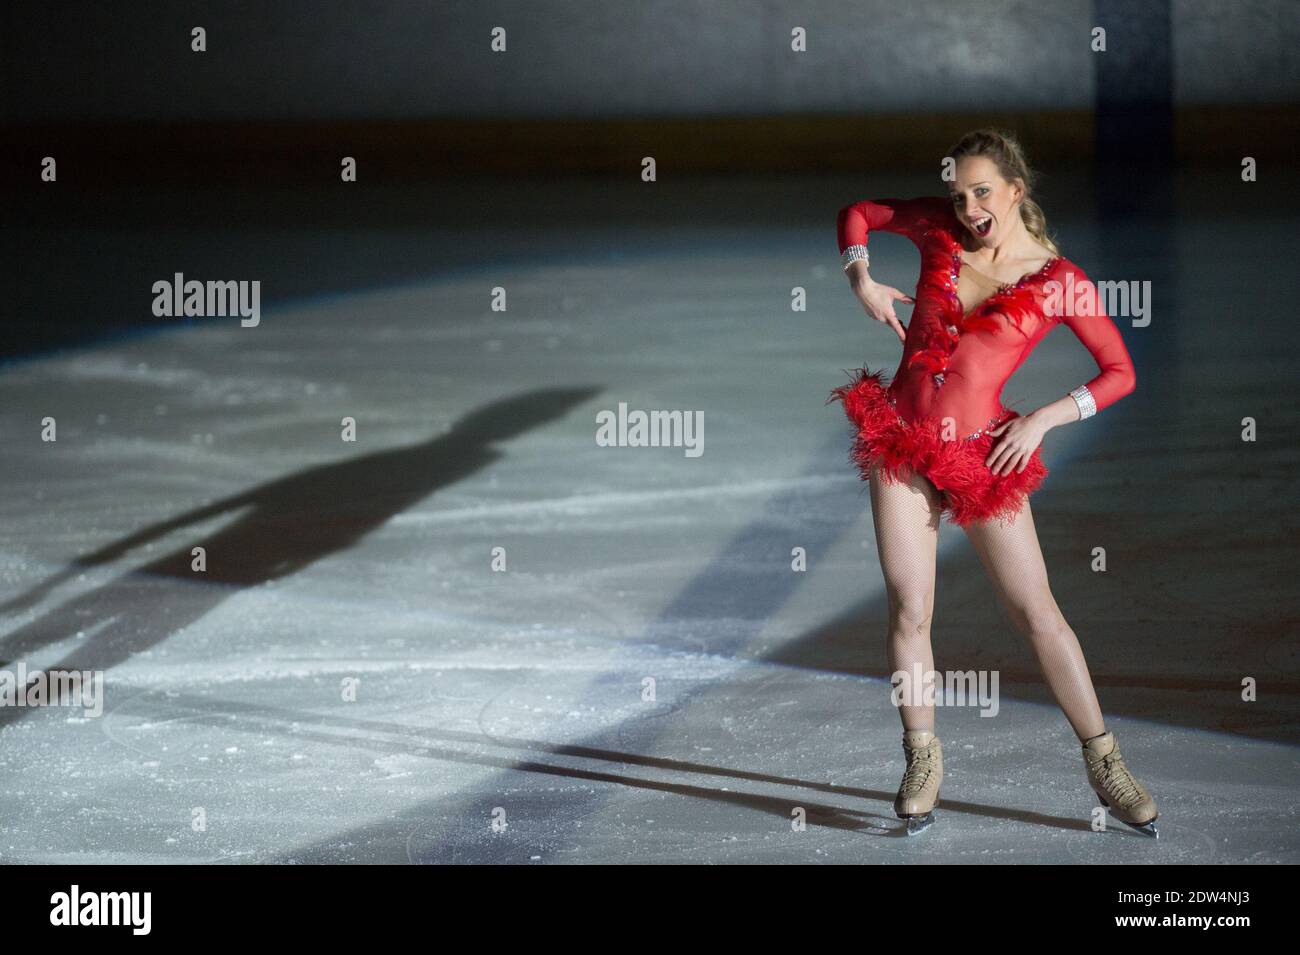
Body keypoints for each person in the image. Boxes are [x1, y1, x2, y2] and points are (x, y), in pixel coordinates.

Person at [827, 128, 1158, 837]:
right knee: (910, 608)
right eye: (958, 193)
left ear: (1016, 190)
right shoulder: (937, 230)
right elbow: (857, 211)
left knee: (1036, 613)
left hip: (986, 457)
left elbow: (1121, 372)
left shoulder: (1060, 280)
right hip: (903, 442)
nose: (969, 207)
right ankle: (921, 756)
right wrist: (859, 274)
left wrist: (1042, 419)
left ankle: (1103, 759)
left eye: (983, 192)